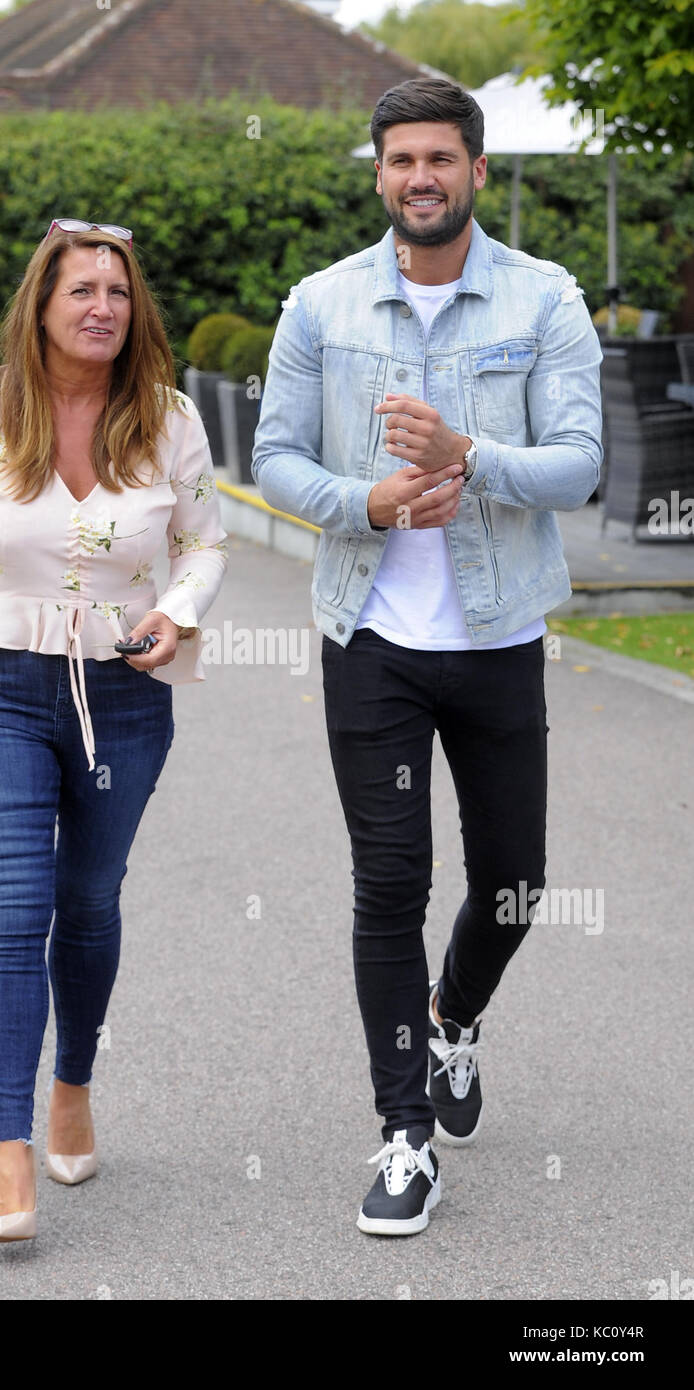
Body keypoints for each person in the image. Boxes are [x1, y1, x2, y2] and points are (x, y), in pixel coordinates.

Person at [252, 78, 602, 1236]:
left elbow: (576, 465)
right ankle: (403, 1133)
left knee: (514, 881)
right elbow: (275, 461)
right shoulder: (320, 303)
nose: (419, 178)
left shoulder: (542, 297)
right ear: (376, 174)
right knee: (388, 885)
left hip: (498, 638)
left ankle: (454, 1014)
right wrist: (369, 500)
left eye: (440, 159)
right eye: (399, 159)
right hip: (375, 644)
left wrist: (467, 453)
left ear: (475, 173)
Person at [0, 219, 228, 1242]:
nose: (102, 306)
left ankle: (73, 1079)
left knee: (88, 899)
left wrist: (180, 610)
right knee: (15, 906)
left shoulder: (164, 417)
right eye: (81, 290)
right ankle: (9, 1151)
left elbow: (205, 543)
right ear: (42, 302)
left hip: (120, 695)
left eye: (118, 290)